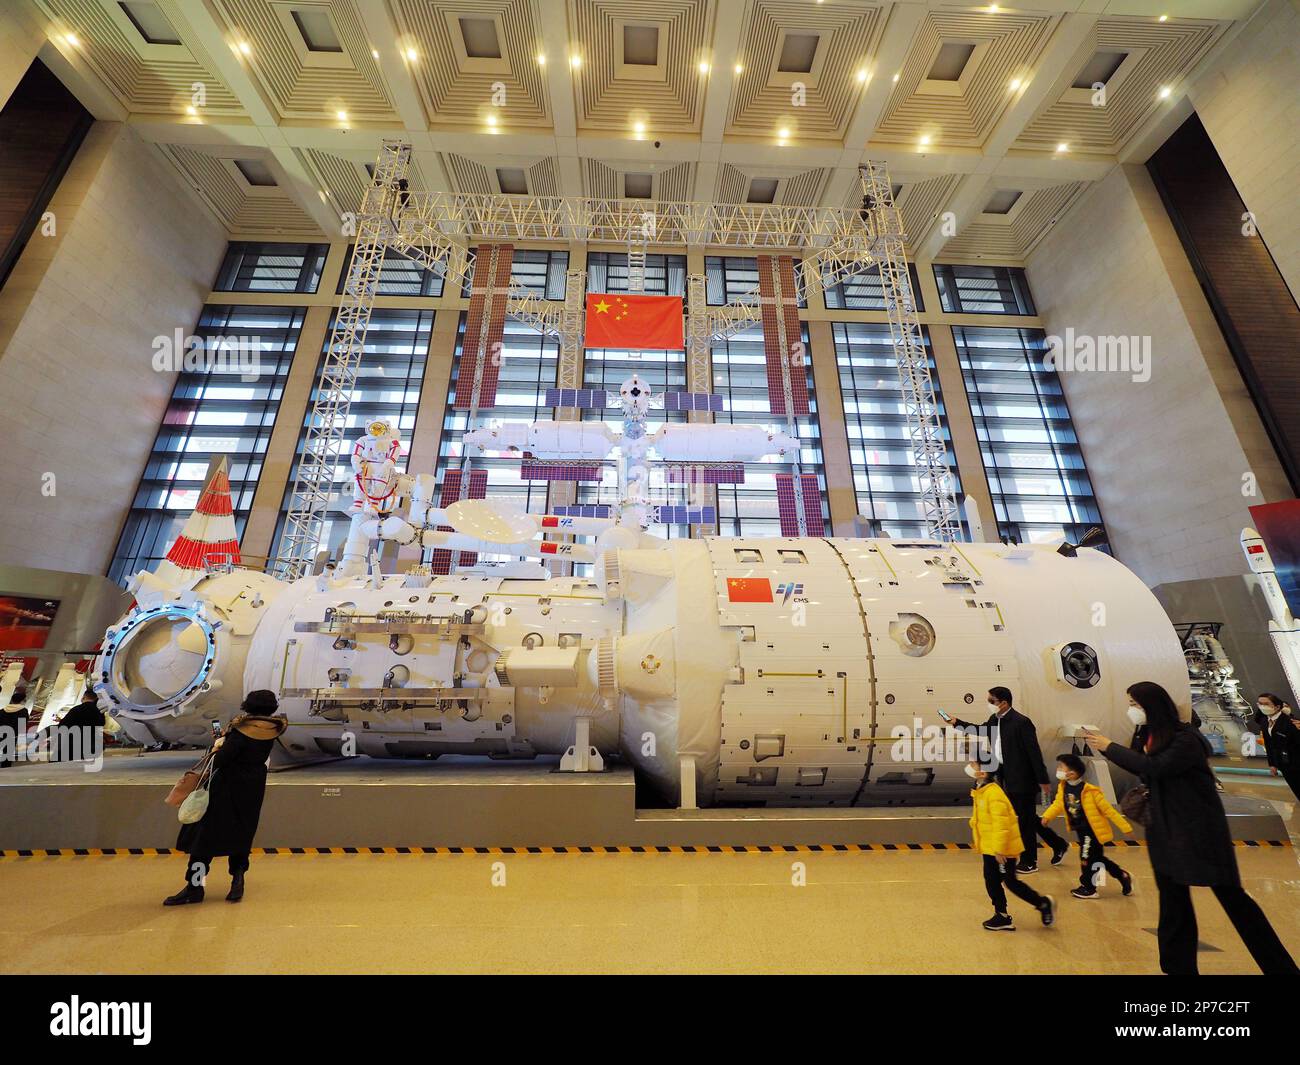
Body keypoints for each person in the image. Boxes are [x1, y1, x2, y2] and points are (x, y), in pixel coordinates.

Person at [1085, 681, 1298, 975]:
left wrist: (1109, 747)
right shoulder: (1148, 734)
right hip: (1165, 829)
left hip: (1200, 832)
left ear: (1152, 706)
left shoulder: (1186, 740)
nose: (1131, 710)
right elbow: (1144, 766)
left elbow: (1157, 767)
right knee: (1173, 902)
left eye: (1135, 704)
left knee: (1234, 900)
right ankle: (1177, 968)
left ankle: (1281, 968)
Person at [164, 690, 287, 906]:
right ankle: (237, 883)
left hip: (226, 787)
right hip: (253, 787)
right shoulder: (273, 729)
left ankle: (195, 888)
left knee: (203, 841)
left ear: (248, 704)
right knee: (242, 836)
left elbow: (222, 759)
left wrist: (219, 744)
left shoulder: (240, 730)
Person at [952, 686, 1068, 873]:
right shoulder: (994, 720)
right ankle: (1058, 843)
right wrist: (957, 723)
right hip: (1005, 776)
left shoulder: (1021, 723)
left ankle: (1030, 861)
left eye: (992, 701)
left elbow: (1034, 753)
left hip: (1023, 778)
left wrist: (1043, 780)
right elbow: (981, 730)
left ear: (1004, 703)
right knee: (1026, 818)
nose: (989, 704)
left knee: (1024, 821)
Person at [967, 757, 1056, 932]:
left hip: (1001, 849)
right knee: (991, 881)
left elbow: (1001, 825)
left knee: (1010, 882)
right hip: (990, 847)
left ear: (983, 772)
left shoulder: (994, 793)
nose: (969, 767)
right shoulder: (980, 790)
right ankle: (1002, 915)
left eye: (973, 765)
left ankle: (1043, 903)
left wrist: (999, 850)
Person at [1041, 753, 1133, 900]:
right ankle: (1122, 875)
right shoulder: (1063, 787)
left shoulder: (1091, 792)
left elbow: (1109, 810)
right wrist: (1047, 816)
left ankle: (1089, 888)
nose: (1058, 769)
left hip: (1093, 832)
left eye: (1061, 767)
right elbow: (1058, 804)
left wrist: (1125, 827)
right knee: (1098, 859)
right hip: (1081, 831)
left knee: (1085, 858)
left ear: (1071, 773)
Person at [1254, 692, 1300, 802]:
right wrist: (1272, 764)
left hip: (1297, 762)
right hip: (1283, 764)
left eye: (1266, 703)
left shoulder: (1290, 722)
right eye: (1260, 703)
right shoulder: (1264, 721)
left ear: (1277, 706)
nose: (1262, 706)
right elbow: (1269, 745)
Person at [52, 689, 104, 761]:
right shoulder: (99, 711)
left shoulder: (76, 709)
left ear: (83, 698)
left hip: (73, 745)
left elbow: (63, 726)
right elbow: (101, 724)